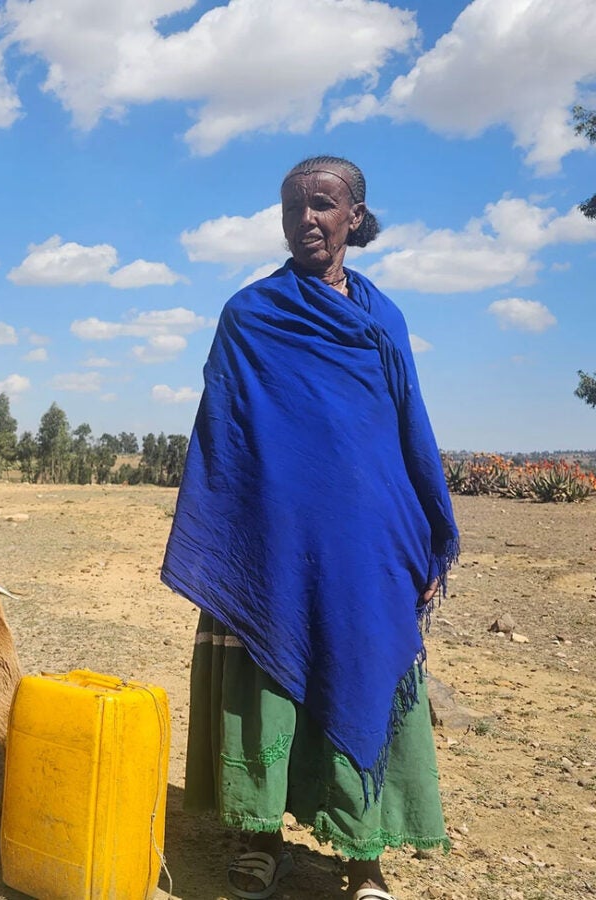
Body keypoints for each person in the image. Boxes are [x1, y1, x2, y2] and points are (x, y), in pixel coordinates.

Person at [161, 156, 458, 900]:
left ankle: (364, 853)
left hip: (368, 545)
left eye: (323, 205)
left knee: (363, 669)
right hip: (274, 545)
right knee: (265, 682)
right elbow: (225, 438)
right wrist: (235, 542)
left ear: (355, 215)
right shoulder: (251, 315)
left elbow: (406, 429)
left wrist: (425, 527)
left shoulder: (382, 318)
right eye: (292, 206)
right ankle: (258, 837)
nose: (306, 220)